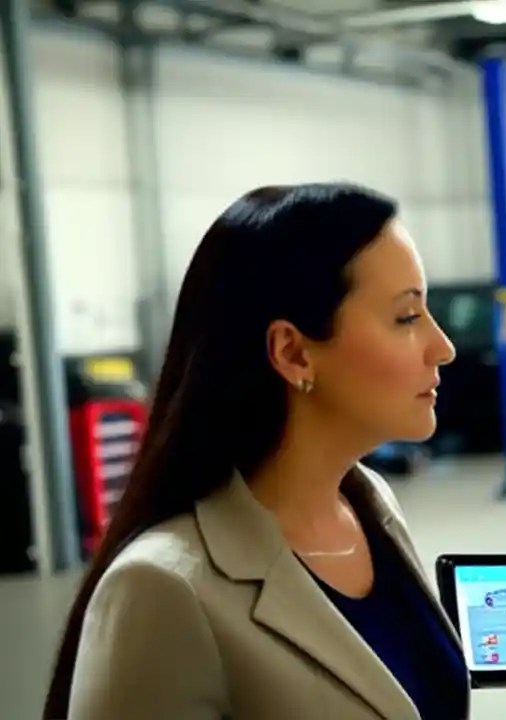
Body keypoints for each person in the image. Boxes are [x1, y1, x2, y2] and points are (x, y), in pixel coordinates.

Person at [42, 183, 467, 720]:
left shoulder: (368, 506)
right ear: (292, 352)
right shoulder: (162, 588)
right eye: (407, 318)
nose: (444, 346)